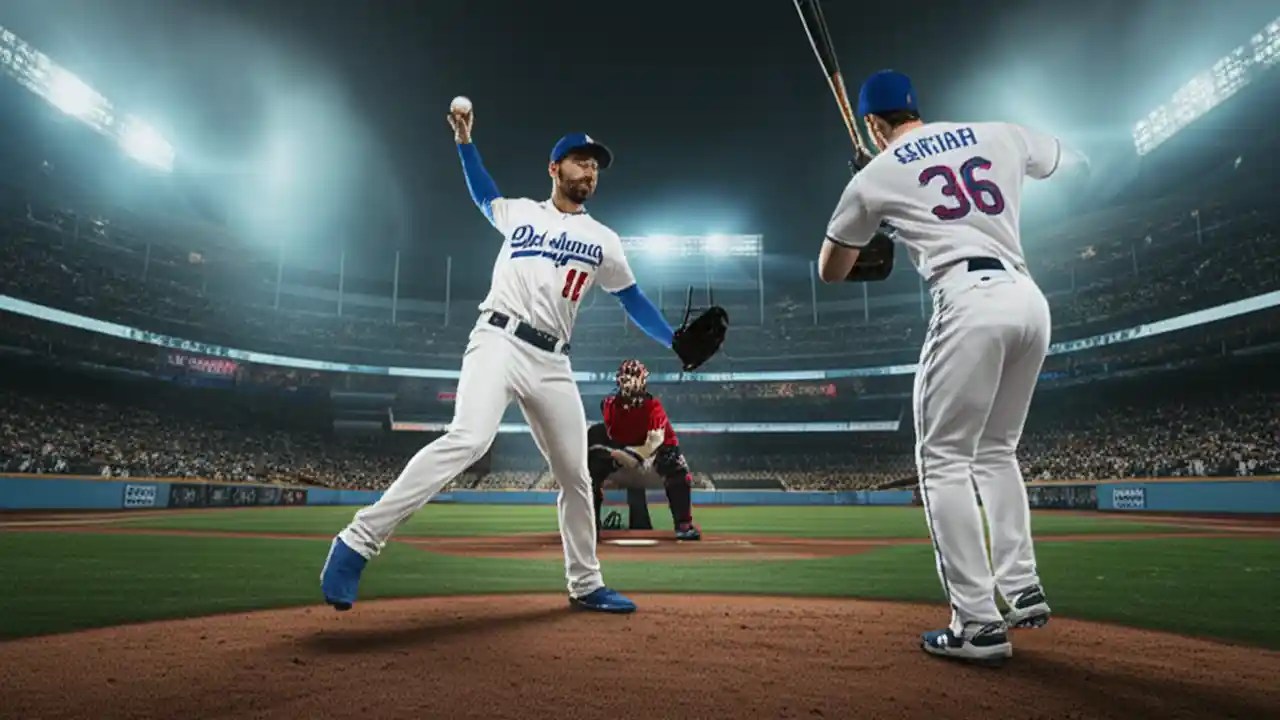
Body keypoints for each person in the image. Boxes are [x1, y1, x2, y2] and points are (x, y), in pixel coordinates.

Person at [321, 103, 683, 615]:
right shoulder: (520, 212)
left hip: (553, 361)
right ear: (554, 168)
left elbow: (633, 298)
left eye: (596, 165)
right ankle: (357, 542)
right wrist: (465, 141)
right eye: (580, 161)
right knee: (468, 438)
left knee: (577, 475)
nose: (590, 170)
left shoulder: (604, 241)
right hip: (497, 339)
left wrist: (673, 339)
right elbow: (482, 191)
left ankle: (585, 583)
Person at [818, 70, 1089, 663]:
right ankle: (1021, 587)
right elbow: (1076, 164)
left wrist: (873, 201)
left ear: (872, 123)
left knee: (941, 461)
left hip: (967, 302)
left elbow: (831, 270)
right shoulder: (997, 131)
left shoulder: (875, 174)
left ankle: (977, 624)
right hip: (1027, 298)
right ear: (917, 107)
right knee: (995, 450)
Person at [587, 359, 701, 540]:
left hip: (652, 460)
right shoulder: (609, 405)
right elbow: (612, 435)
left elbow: (655, 441)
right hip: (624, 456)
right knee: (590, 457)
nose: (628, 383)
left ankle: (683, 525)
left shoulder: (654, 407)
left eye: (632, 378)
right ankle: (589, 526)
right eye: (625, 379)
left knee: (675, 463)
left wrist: (633, 455)